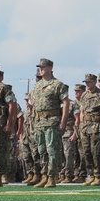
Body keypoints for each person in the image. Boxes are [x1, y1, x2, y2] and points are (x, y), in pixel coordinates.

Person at [30, 58, 69, 188]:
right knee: (41, 150)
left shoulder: (57, 84)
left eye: (43, 67)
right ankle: (44, 175)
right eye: (40, 67)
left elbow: (65, 103)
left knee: (52, 149)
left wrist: (63, 122)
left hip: (52, 120)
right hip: (39, 121)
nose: (40, 69)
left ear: (50, 68)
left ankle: (52, 177)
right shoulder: (37, 85)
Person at [74, 73, 100, 186]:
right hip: (85, 127)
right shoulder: (84, 95)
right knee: (86, 152)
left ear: (95, 82)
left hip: (96, 126)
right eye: (86, 82)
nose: (88, 84)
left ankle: (99, 175)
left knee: (96, 152)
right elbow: (82, 111)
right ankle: (91, 175)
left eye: (89, 82)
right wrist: (80, 126)